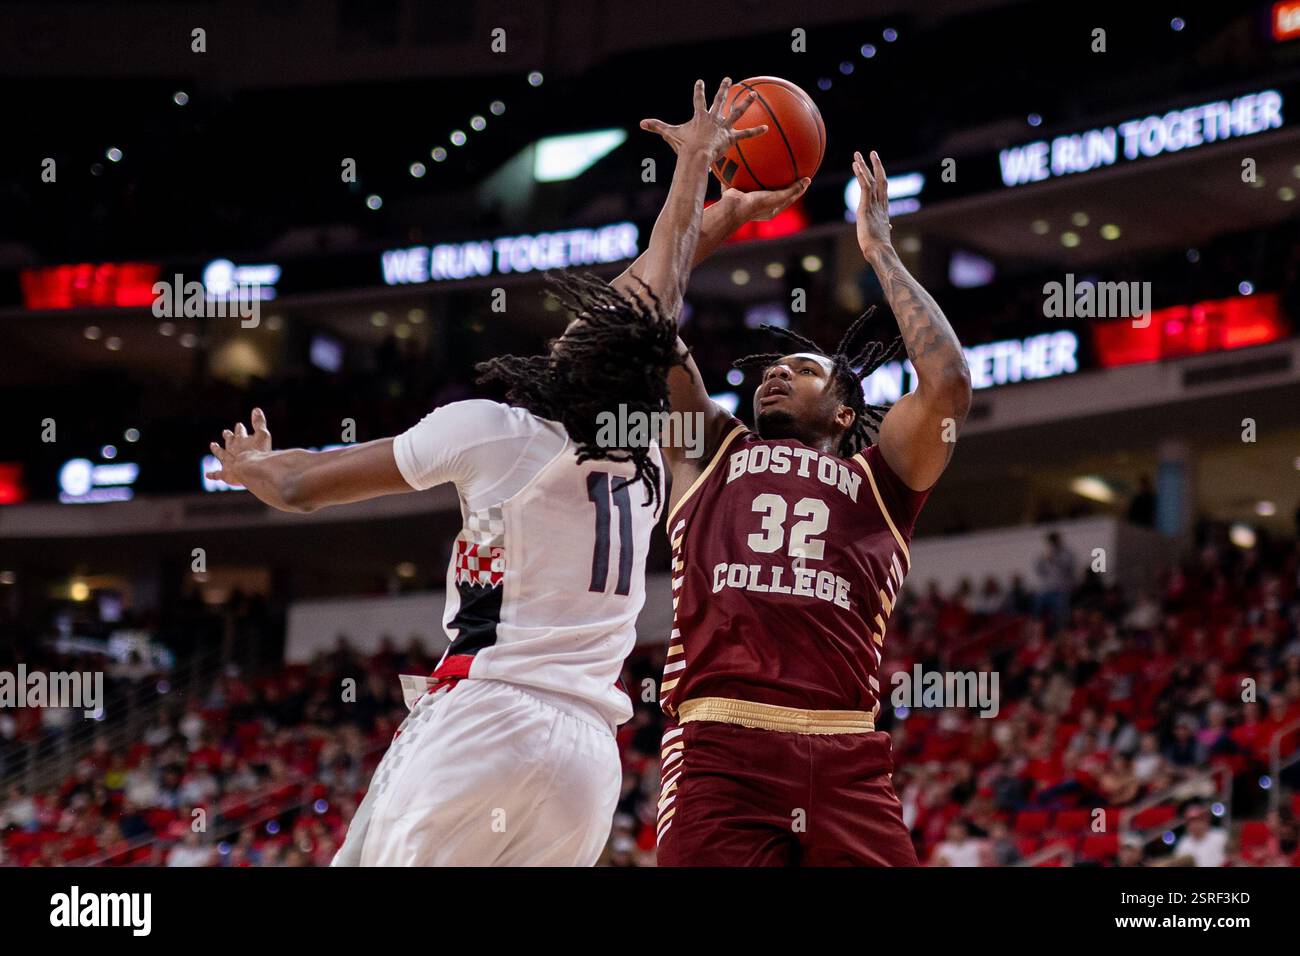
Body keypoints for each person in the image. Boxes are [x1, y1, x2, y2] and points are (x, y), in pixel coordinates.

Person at [206, 79, 768, 865]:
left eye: (581, 326)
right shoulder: (645, 456)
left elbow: (302, 487)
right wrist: (707, 203)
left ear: (572, 363)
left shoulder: (491, 433)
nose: (576, 322)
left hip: (484, 716)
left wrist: (256, 467)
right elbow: (647, 307)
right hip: (586, 761)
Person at [630, 146, 972, 866]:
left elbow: (947, 384)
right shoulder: (707, 451)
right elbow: (640, 325)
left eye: (805, 368)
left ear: (847, 414)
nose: (779, 370)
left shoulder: (887, 480)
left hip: (846, 748)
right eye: (774, 368)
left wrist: (880, 250)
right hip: (720, 745)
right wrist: (704, 208)